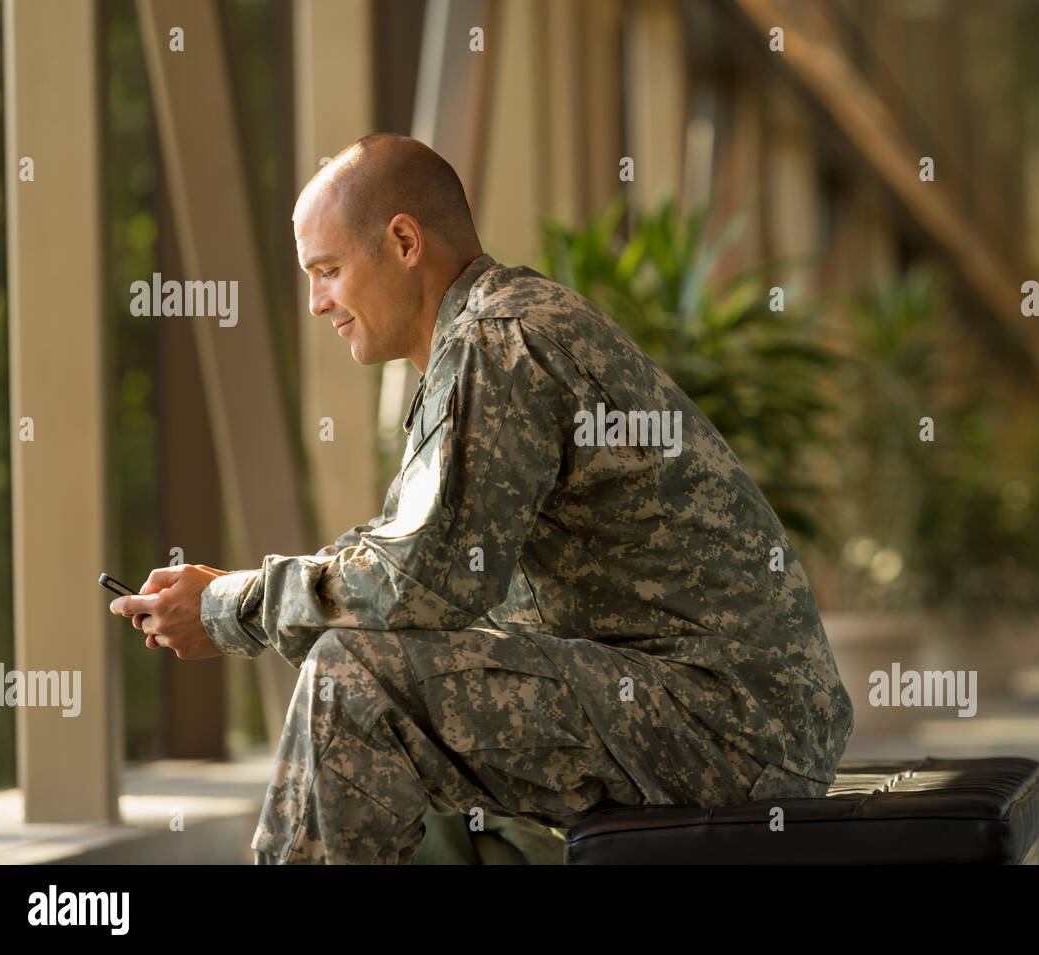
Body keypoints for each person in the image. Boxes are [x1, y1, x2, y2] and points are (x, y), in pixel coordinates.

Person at [109, 133, 854, 864]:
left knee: (355, 683)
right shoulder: (489, 331)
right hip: (719, 712)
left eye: (328, 269)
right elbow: (406, 555)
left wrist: (229, 606)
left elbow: (420, 582)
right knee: (387, 681)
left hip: (727, 726)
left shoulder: (498, 339)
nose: (316, 302)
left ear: (404, 242)